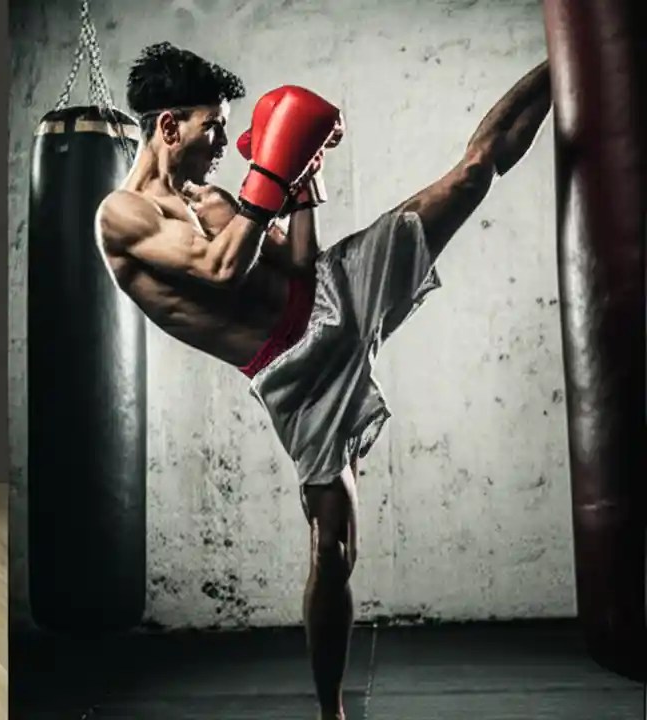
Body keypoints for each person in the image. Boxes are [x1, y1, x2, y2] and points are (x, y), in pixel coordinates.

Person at [96, 41, 552, 720]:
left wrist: (303, 179)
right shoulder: (123, 216)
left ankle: (565, 64)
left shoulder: (214, 197)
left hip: (337, 291)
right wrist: (272, 173)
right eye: (212, 125)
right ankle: (332, 712)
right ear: (169, 126)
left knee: (469, 174)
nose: (224, 139)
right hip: (296, 375)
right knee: (334, 549)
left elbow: (301, 262)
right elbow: (221, 271)